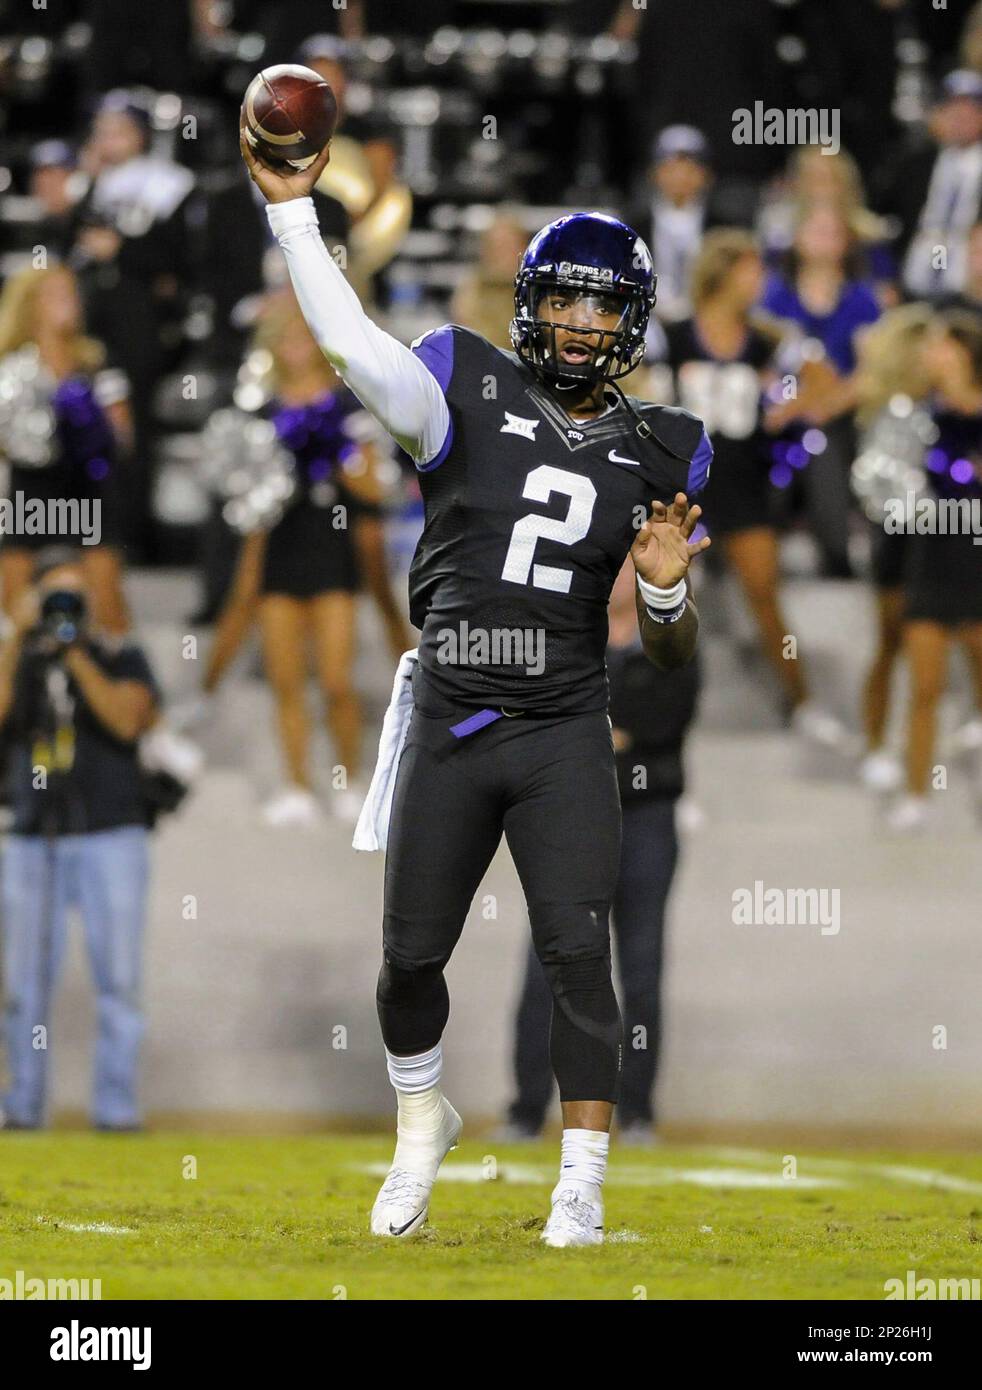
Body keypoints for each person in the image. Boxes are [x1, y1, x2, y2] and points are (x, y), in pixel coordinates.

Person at [241, 125, 713, 1247]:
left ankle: (581, 1185)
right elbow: (350, 343)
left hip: (560, 721)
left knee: (573, 949)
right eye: (565, 300)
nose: (582, 324)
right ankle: (421, 1122)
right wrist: (293, 214)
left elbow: (674, 652)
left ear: (633, 323)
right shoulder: (460, 378)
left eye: (604, 308)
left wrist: (657, 594)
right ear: (528, 302)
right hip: (451, 714)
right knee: (408, 959)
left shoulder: (668, 447)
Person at [502, 558, 699, 1143]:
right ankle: (524, 1110)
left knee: (641, 969)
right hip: (572, 819)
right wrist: (605, 736)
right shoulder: (568, 639)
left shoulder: (671, 636)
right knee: (547, 967)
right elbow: (541, 721)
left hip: (645, 819)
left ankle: (636, 1112)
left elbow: (666, 723)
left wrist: (593, 736)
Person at [201, 294, 403, 827]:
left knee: (336, 680)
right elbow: (237, 492)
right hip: (279, 548)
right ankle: (296, 786)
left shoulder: (346, 406)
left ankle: (348, 778)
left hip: (332, 548)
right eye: (284, 338)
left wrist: (329, 446)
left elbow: (374, 486)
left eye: (302, 337)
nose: (293, 347)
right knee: (287, 681)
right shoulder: (259, 411)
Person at [652, 229, 838, 739]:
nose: (759, 283)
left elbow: (826, 379)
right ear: (722, 275)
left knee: (764, 596)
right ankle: (654, 718)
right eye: (750, 272)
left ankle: (801, 701)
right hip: (679, 491)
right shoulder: (672, 333)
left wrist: (786, 409)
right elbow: (636, 388)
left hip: (743, 485)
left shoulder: (767, 340)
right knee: (662, 603)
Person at [0, 553, 158, 1131]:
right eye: (52, 599)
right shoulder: (18, 660)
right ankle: (21, 1109)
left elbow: (127, 721)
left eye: (74, 598)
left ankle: (116, 1112)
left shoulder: (120, 655)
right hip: (28, 835)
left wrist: (77, 655)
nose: (62, 610)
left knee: (118, 981)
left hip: (112, 834)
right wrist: (18, 638)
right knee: (22, 987)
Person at [0, 263, 131, 635]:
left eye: (70, 292)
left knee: (107, 613)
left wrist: (88, 424)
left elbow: (124, 437)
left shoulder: (96, 362)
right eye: (54, 293)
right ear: (30, 304)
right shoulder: (9, 369)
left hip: (86, 491)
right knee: (19, 616)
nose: (68, 302)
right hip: (30, 493)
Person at [889, 310, 982, 831]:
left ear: (965, 353)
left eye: (941, 345)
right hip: (932, 554)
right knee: (924, 686)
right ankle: (916, 793)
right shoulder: (916, 415)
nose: (931, 354)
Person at [762, 205, 881, 578]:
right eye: (815, 231)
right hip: (782, 410)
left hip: (839, 416)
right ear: (797, 240)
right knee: (779, 443)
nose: (824, 241)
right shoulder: (775, 294)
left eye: (833, 233)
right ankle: (754, 547)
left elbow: (871, 373)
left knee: (819, 442)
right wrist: (791, 407)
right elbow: (762, 364)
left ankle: (836, 553)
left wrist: (823, 406)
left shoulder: (862, 298)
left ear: (847, 244)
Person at [852, 303, 936, 794]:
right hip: (900, 542)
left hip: (947, 542)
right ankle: (878, 745)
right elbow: (872, 487)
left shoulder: (954, 406)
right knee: (891, 643)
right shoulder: (892, 410)